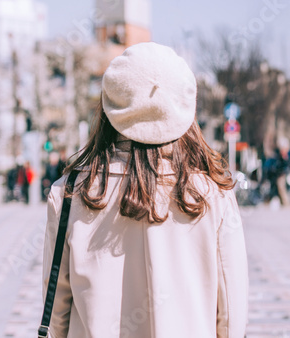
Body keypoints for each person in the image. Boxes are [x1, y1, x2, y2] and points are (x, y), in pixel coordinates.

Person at [41, 42, 248, 337]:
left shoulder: (71, 193)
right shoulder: (213, 194)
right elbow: (230, 313)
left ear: (110, 107)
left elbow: (57, 311)